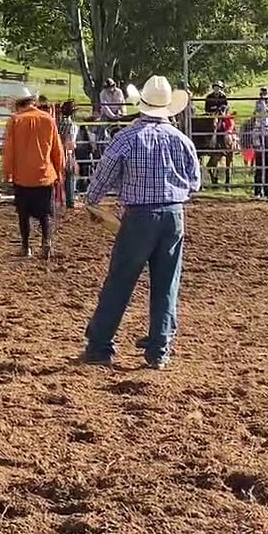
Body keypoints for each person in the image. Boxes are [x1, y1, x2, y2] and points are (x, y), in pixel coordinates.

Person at [83, 76, 200, 370]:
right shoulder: (181, 140)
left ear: (141, 103)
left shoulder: (126, 138)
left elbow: (103, 176)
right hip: (173, 215)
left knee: (120, 280)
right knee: (167, 282)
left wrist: (93, 202)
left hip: (138, 217)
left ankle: (100, 346)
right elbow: (194, 183)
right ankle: (159, 348)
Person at [1, 94, 65, 258]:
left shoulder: (15, 121)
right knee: (45, 214)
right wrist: (59, 171)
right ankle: (46, 244)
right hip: (45, 175)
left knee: (23, 214)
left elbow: (8, 150)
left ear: (18, 105)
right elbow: (57, 149)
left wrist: (7, 173)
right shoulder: (48, 119)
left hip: (22, 177)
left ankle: (26, 247)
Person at [57, 100, 80, 208]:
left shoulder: (58, 123)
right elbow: (70, 142)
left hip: (58, 150)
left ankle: (60, 199)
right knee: (70, 175)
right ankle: (70, 200)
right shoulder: (71, 125)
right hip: (67, 151)